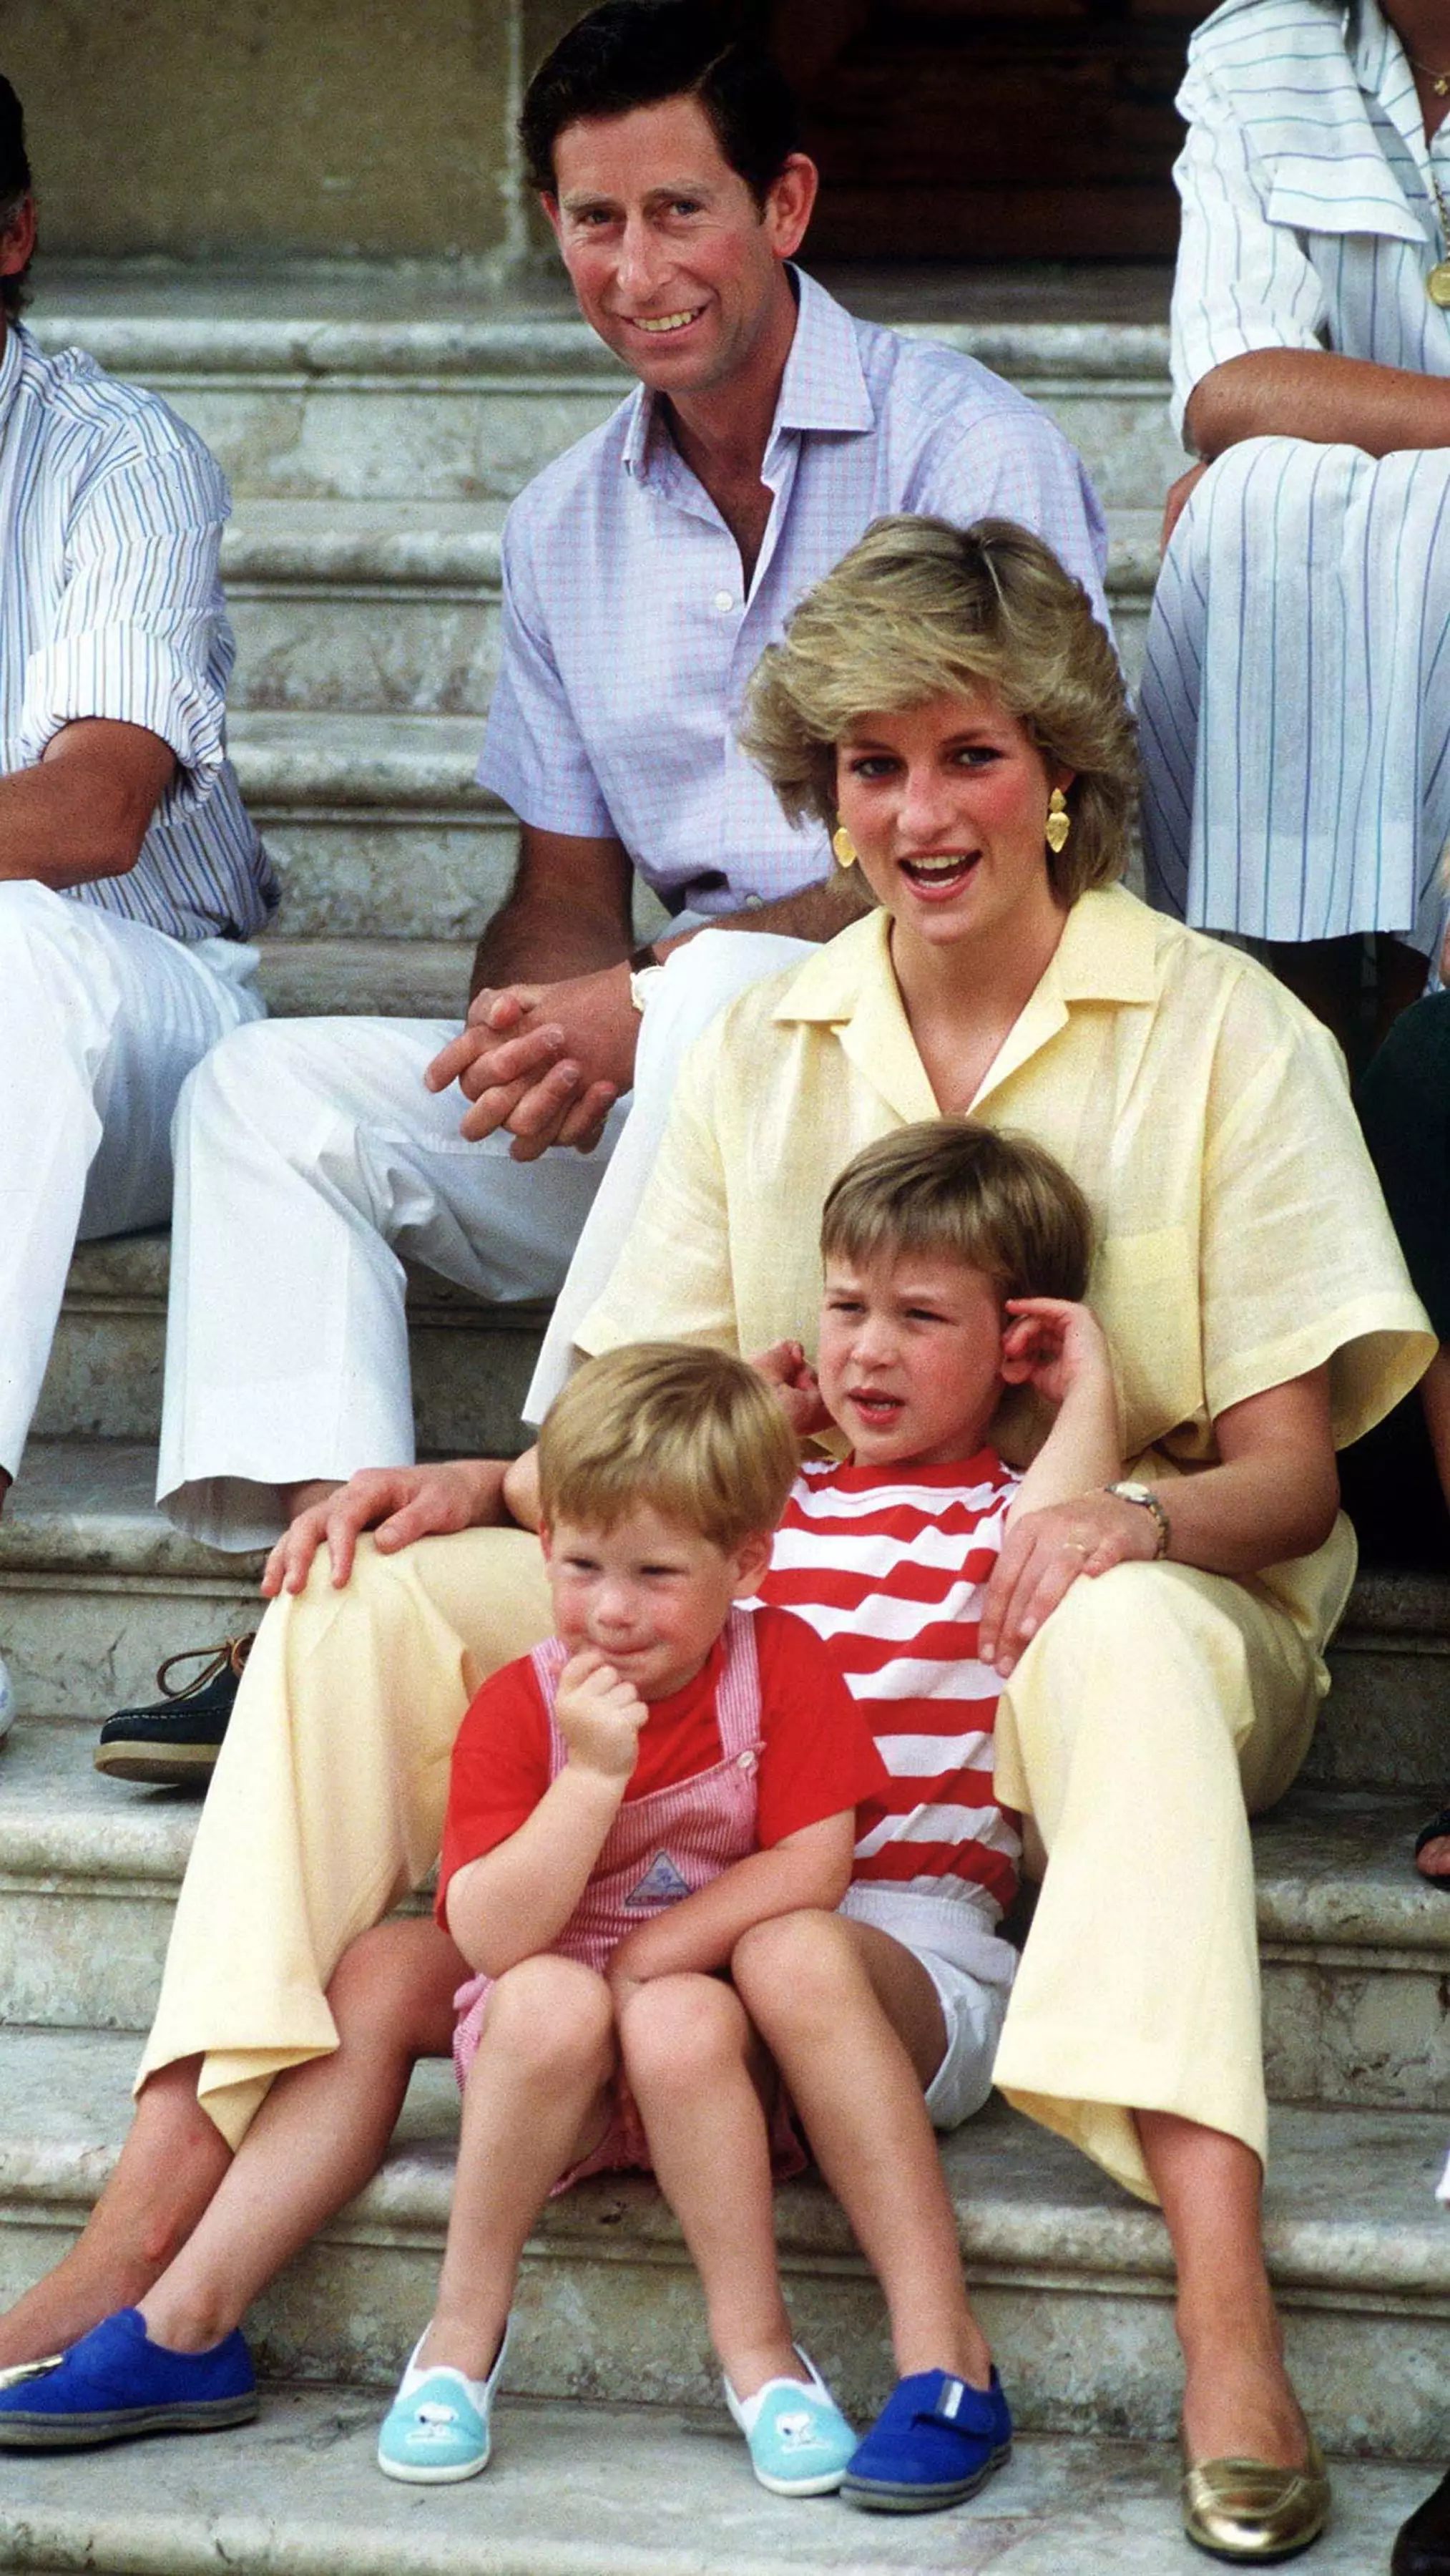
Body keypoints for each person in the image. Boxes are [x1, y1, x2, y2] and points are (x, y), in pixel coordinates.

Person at [4, 517, 1430, 2558]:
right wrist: (482, 1490)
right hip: (789, 1595)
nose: (918, 812)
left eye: (967, 757)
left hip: (1161, 1610)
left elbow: (1290, 1481)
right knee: (358, 1596)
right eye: (868, 767)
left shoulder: (1223, 1030)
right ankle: (155, 2210)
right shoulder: (764, 1027)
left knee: (1111, 1627)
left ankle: (1219, 2300)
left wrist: (1120, 1513)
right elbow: (649, 1420)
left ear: (1060, 777)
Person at [97, 0, 1110, 1782]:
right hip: (681, 1078)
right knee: (262, 1088)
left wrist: (647, 998)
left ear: (784, 206)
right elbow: (562, 888)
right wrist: (545, 1026)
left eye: (678, 212)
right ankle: (341, 1605)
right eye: (591, 222)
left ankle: (585, 1555)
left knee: (717, 994)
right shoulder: (565, 514)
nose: (635, 269)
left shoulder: (971, 453)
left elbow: (1017, 828)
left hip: (903, 1084)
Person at [2, 1118, 1117, 2523]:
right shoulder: (753, 1507)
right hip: (659, 1930)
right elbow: (597, 1498)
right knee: (376, 1976)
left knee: (787, 1956)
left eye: (919, 1319)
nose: (869, 1352)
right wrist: (724, 1428)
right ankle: (189, 2320)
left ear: (1012, 1343)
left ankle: (941, 2359)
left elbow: (1062, 1526)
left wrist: (1084, 1386)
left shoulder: (1014, 1521)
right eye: (844, 1309)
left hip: (883, 1936)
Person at [0, 76, 275, 1744]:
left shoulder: (121, 459)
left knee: (10, 941)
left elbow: (89, 815)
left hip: (144, 1038)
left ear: (10, 235)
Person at [1138, 0, 1450, 1053]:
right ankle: (1298, 1014)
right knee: (1254, 499)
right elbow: (1229, 381)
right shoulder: (1255, 47)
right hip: (1363, 512)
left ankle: (1419, 1013)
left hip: (1392, 513)